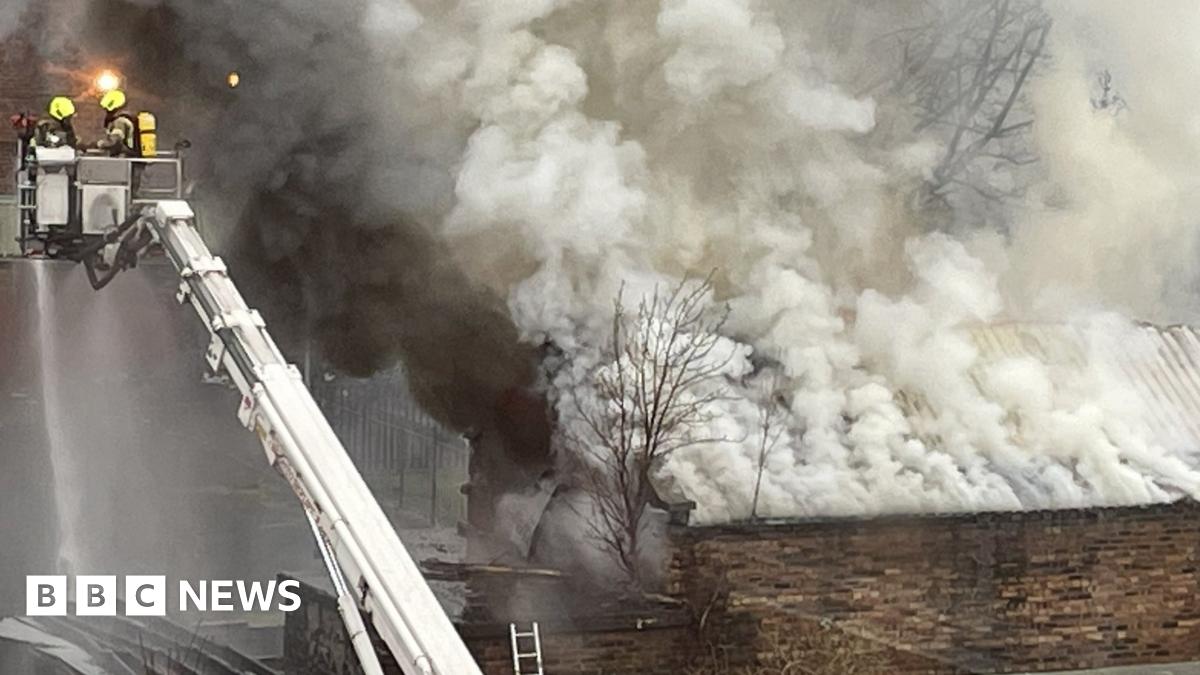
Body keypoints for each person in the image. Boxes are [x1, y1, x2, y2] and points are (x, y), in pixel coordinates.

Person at [93, 89, 139, 157]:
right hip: (131, 160)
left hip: (124, 160)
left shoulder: (120, 122)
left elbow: (114, 142)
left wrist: (98, 144)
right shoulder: (126, 119)